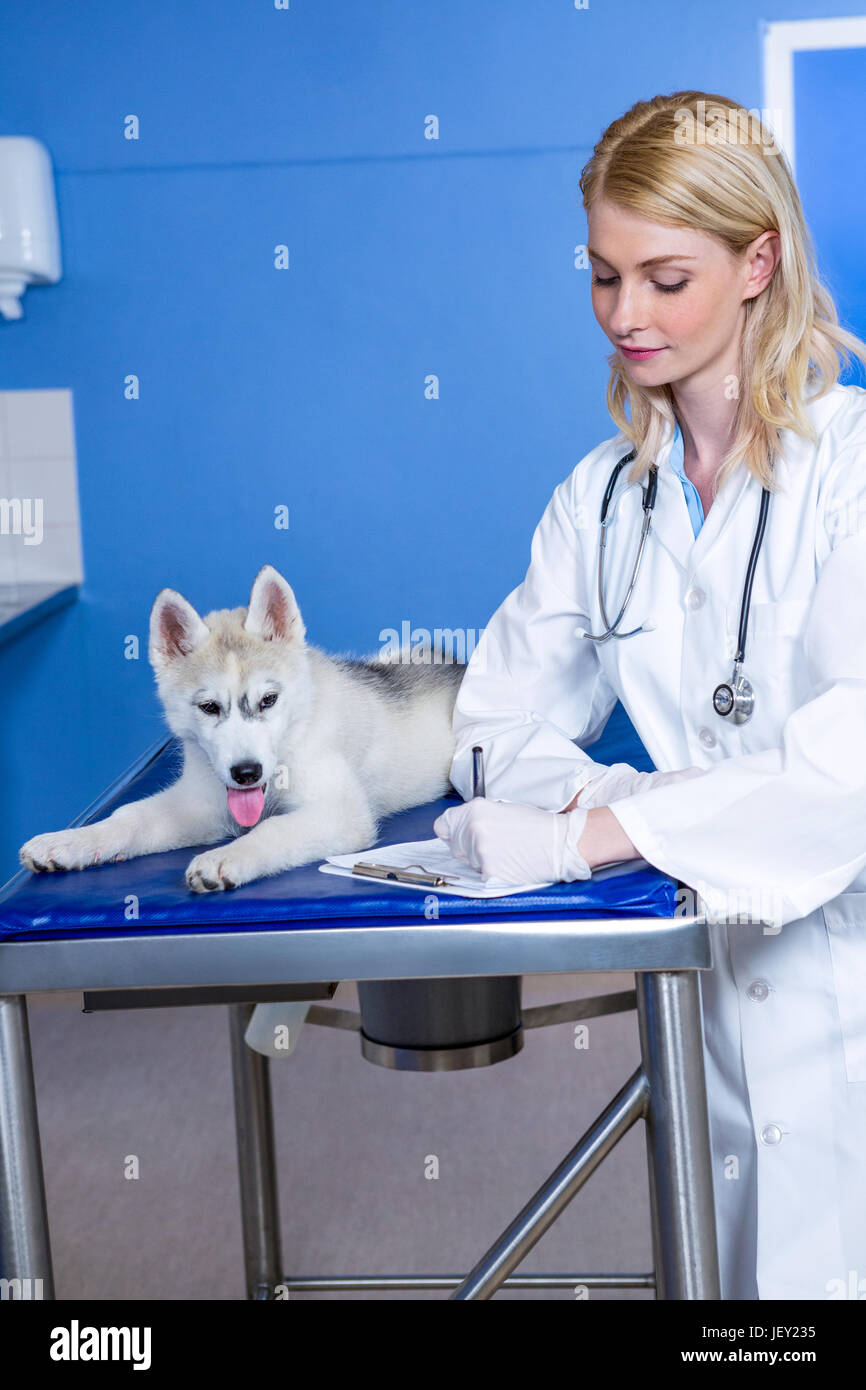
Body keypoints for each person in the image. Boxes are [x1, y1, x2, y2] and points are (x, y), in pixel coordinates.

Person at [433, 90, 866, 1301]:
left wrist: (594, 833)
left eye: (664, 279)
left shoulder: (853, 472)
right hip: (707, 981)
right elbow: (491, 727)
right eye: (601, 275)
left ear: (757, 261)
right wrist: (651, 797)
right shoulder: (601, 499)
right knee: (733, 1287)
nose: (624, 316)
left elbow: (848, 774)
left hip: (849, 965)